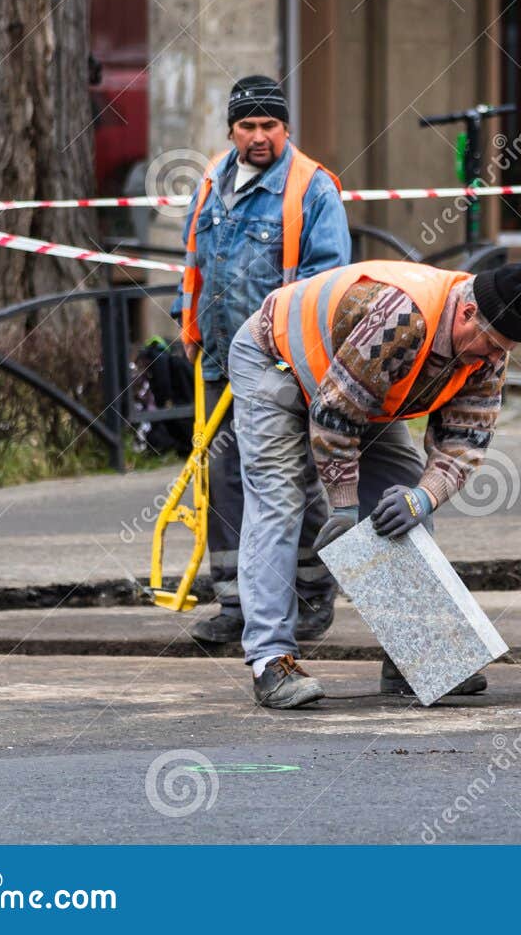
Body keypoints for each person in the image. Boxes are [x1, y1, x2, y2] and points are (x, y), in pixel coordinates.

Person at [227, 259, 521, 709]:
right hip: (275, 359)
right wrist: (343, 505)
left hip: (362, 389)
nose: (494, 360)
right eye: (492, 346)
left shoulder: (488, 352)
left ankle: (413, 655)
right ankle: (270, 660)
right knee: (279, 500)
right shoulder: (401, 315)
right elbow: (336, 414)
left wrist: (423, 497)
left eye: (503, 352)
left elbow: (465, 442)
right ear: (466, 314)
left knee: (403, 497)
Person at [173, 75, 351, 647]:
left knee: (288, 480)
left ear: (286, 128)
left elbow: (325, 284)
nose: (258, 137)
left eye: (269, 125)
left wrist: (298, 354)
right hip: (222, 363)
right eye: (247, 126)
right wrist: (189, 321)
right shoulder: (211, 183)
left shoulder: (312, 188)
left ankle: (310, 592)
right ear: (231, 130)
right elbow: (195, 262)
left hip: (283, 365)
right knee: (225, 479)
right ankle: (236, 603)